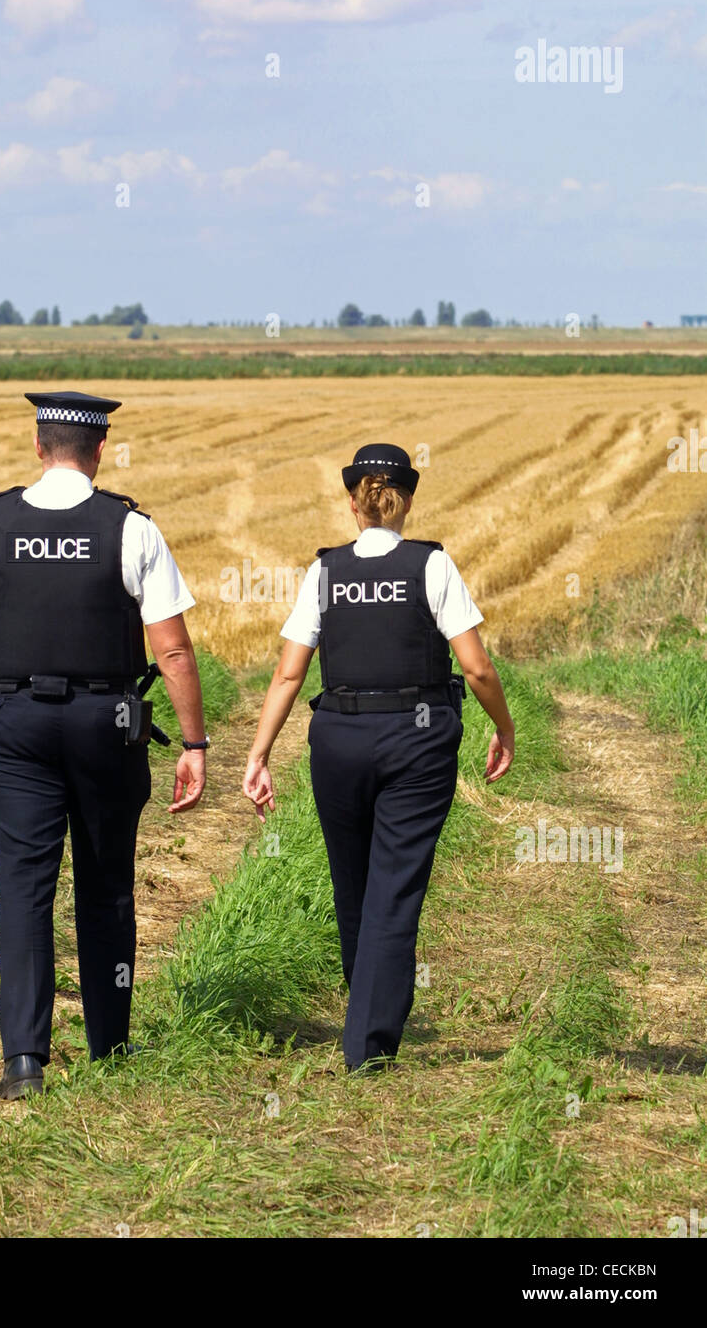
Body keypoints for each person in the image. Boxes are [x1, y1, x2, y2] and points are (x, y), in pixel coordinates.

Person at [0, 391, 210, 1099]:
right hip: (105, 726)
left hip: (15, 726)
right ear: (98, 450)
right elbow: (173, 651)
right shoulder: (129, 527)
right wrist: (194, 743)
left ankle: (23, 1061)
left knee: (24, 891)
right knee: (107, 883)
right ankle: (109, 1047)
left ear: (38, 447)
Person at [242, 442, 514, 1074]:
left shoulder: (326, 571)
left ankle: (364, 1015)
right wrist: (503, 728)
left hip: (337, 739)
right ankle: (368, 1042)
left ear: (353, 501)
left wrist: (258, 754)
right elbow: (474, 666)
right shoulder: (431, 566)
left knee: (354, 883)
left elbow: (288, 675)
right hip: (416, 742)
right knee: (396, 888)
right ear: (407, 499)